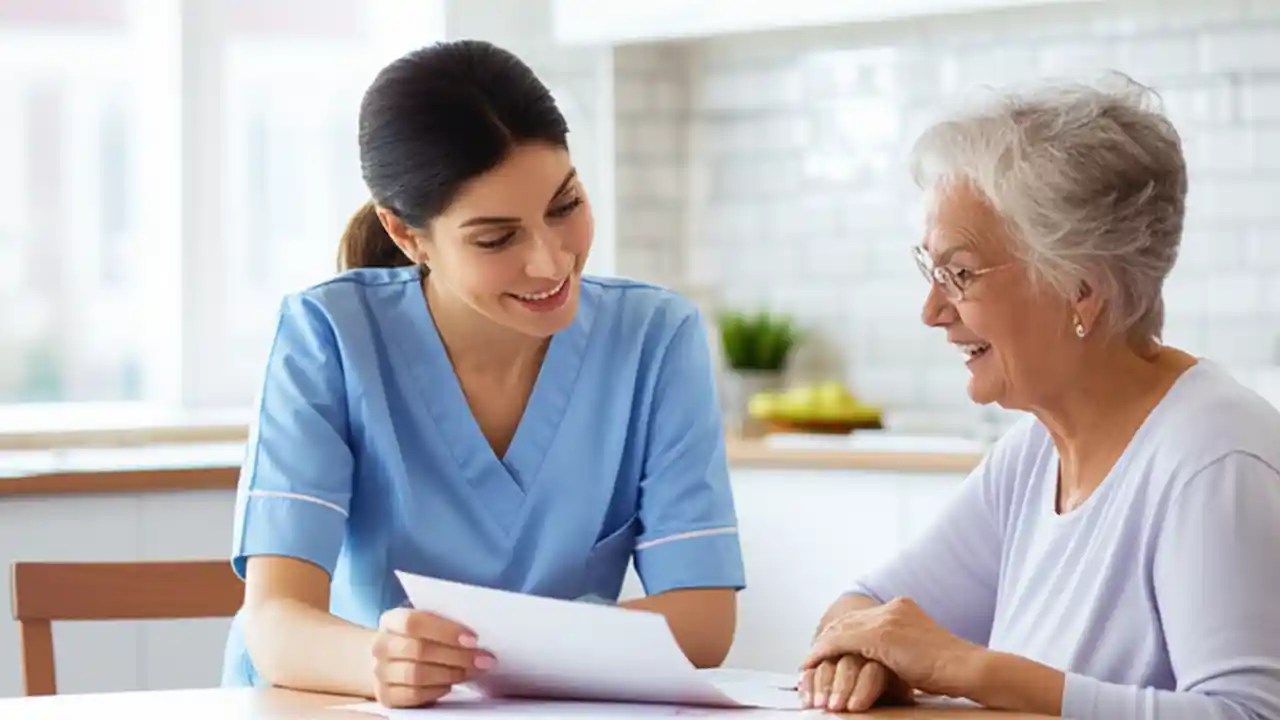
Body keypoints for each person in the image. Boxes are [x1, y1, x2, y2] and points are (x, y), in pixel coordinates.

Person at [220, 39, 745, 708]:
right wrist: (379, 661)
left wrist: (487, 659)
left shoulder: (654, 338)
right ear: (408, 235)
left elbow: (702, 620)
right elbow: (274, 624)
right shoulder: (328, 336)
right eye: (497, 239)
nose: (551, 263)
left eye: (565, 206)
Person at [800, 76, 1280, 718]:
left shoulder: (1213, 457)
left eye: (960, 273)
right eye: (931, 270)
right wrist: (861, 655)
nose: (933, 309)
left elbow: (1245, 713)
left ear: (1080, 289)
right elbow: (863, 607)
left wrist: (965, 667)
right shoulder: (1031, 458)